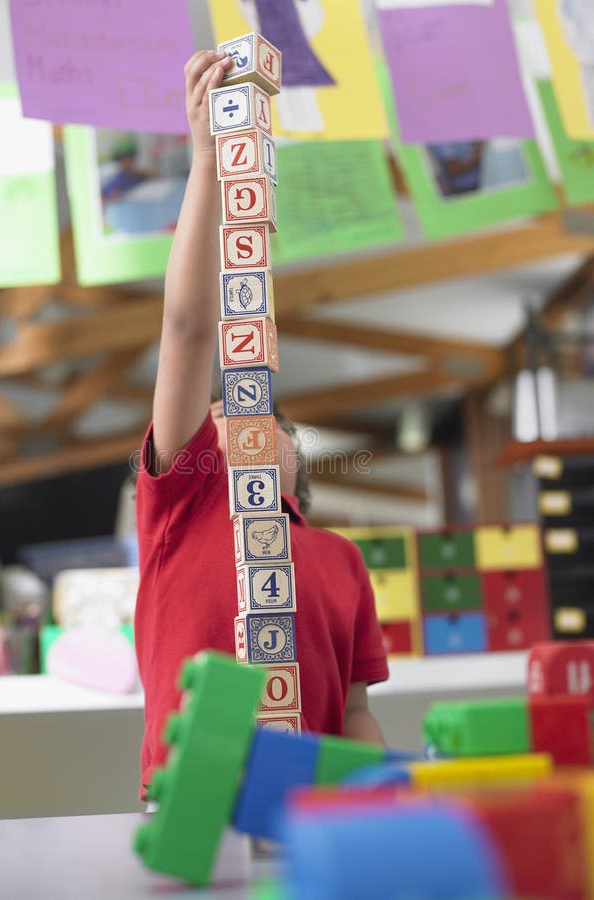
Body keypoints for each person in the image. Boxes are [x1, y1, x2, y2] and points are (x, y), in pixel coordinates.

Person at [133, 50, 388, 800]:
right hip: (189, 800)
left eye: (257, 412)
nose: (236, 414)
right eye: (221, 409)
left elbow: (355, 712)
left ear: (295, 465)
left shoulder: (340, 561)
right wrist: (207, 162)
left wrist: (385, 786)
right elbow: (185, 330)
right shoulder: (182, 503)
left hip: (309, 807)